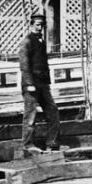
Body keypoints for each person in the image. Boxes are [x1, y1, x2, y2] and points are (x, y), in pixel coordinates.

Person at [18, 13, 59, 151]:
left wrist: (46, 83)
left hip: (42, 84)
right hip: (31, 85)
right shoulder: (27, 42)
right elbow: (24, 65)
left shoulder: (41, 41)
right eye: (37, 25)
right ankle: (28, 145)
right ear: (31, 25)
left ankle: (52, 144)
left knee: (53, 112)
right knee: (30, 116)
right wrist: (29, 84)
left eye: (41, 25)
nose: (39, 27)